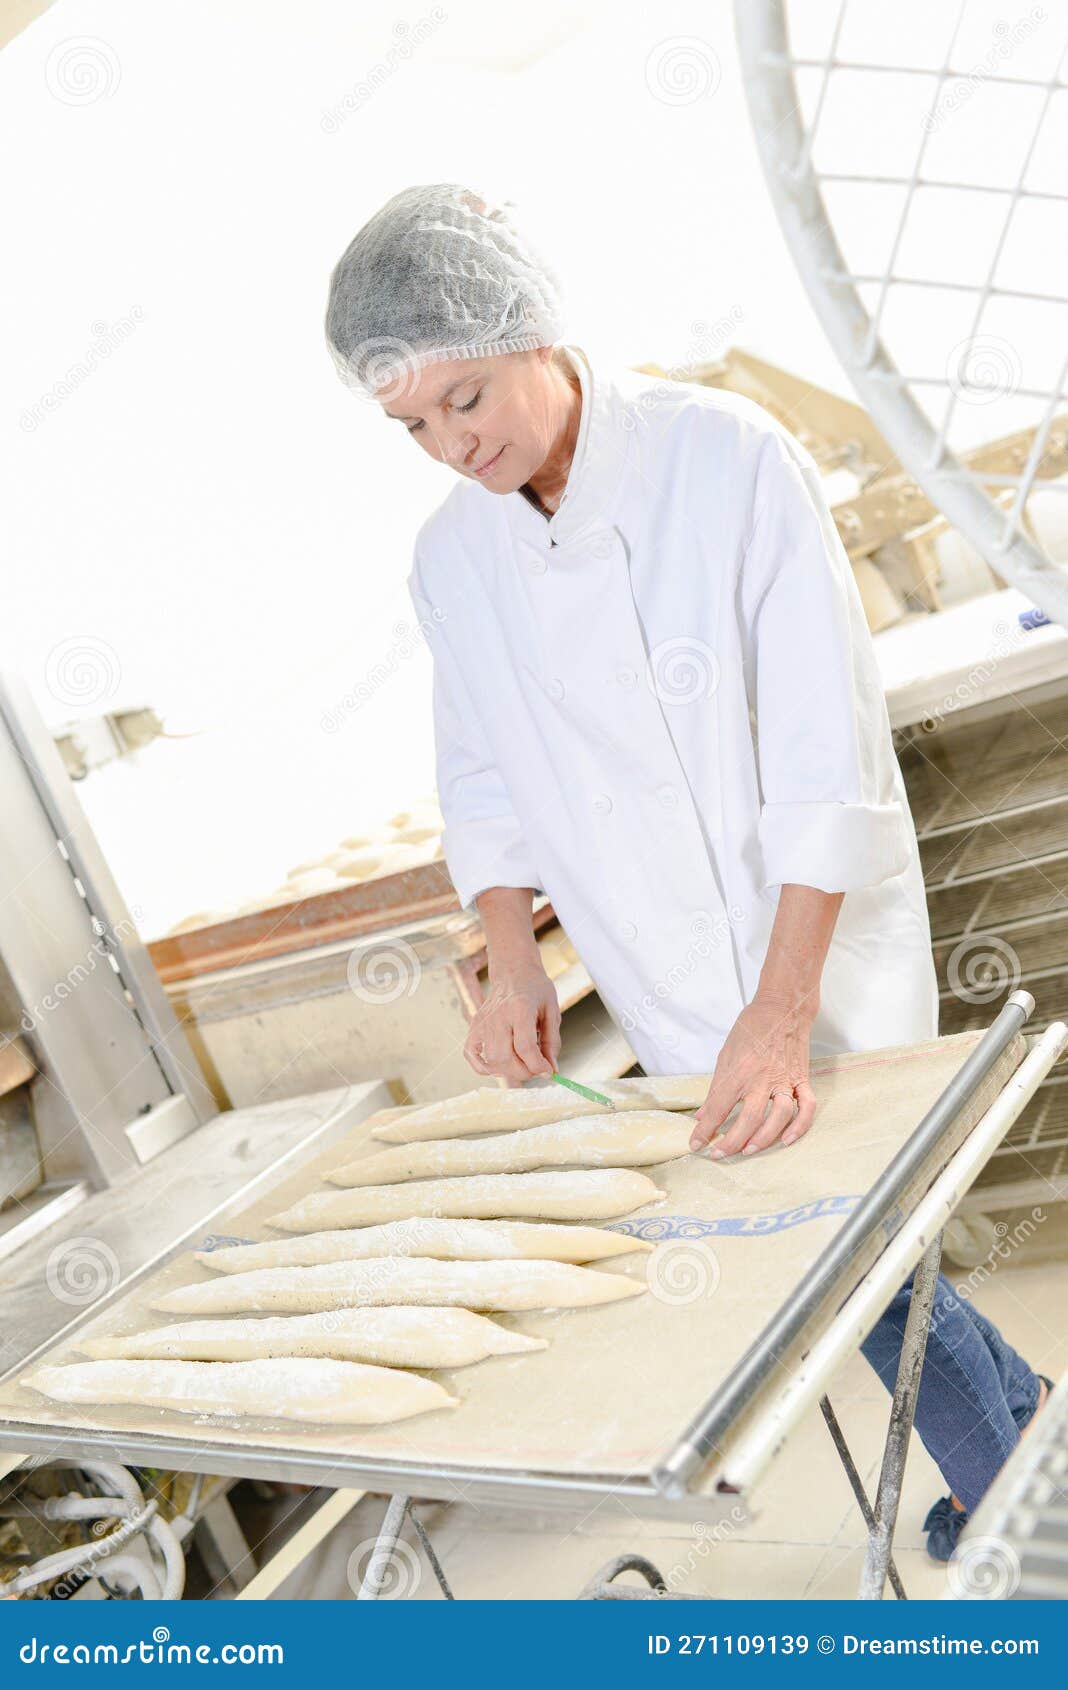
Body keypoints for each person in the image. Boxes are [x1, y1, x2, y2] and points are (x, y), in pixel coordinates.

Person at [324, 183, 1049, 1562]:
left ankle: (1012, 1492)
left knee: (846, 1245)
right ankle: (1027, 1432)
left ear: (533, 329)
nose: (450, 446)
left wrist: (780, 1008)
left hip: (811, 943)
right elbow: (481, 769)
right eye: (411, 426)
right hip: (660, 973)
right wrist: (513, 957)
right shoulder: (452, 557)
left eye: (465, 398)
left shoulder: (723, 460)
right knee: (849, 1237)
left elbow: (827, 753)